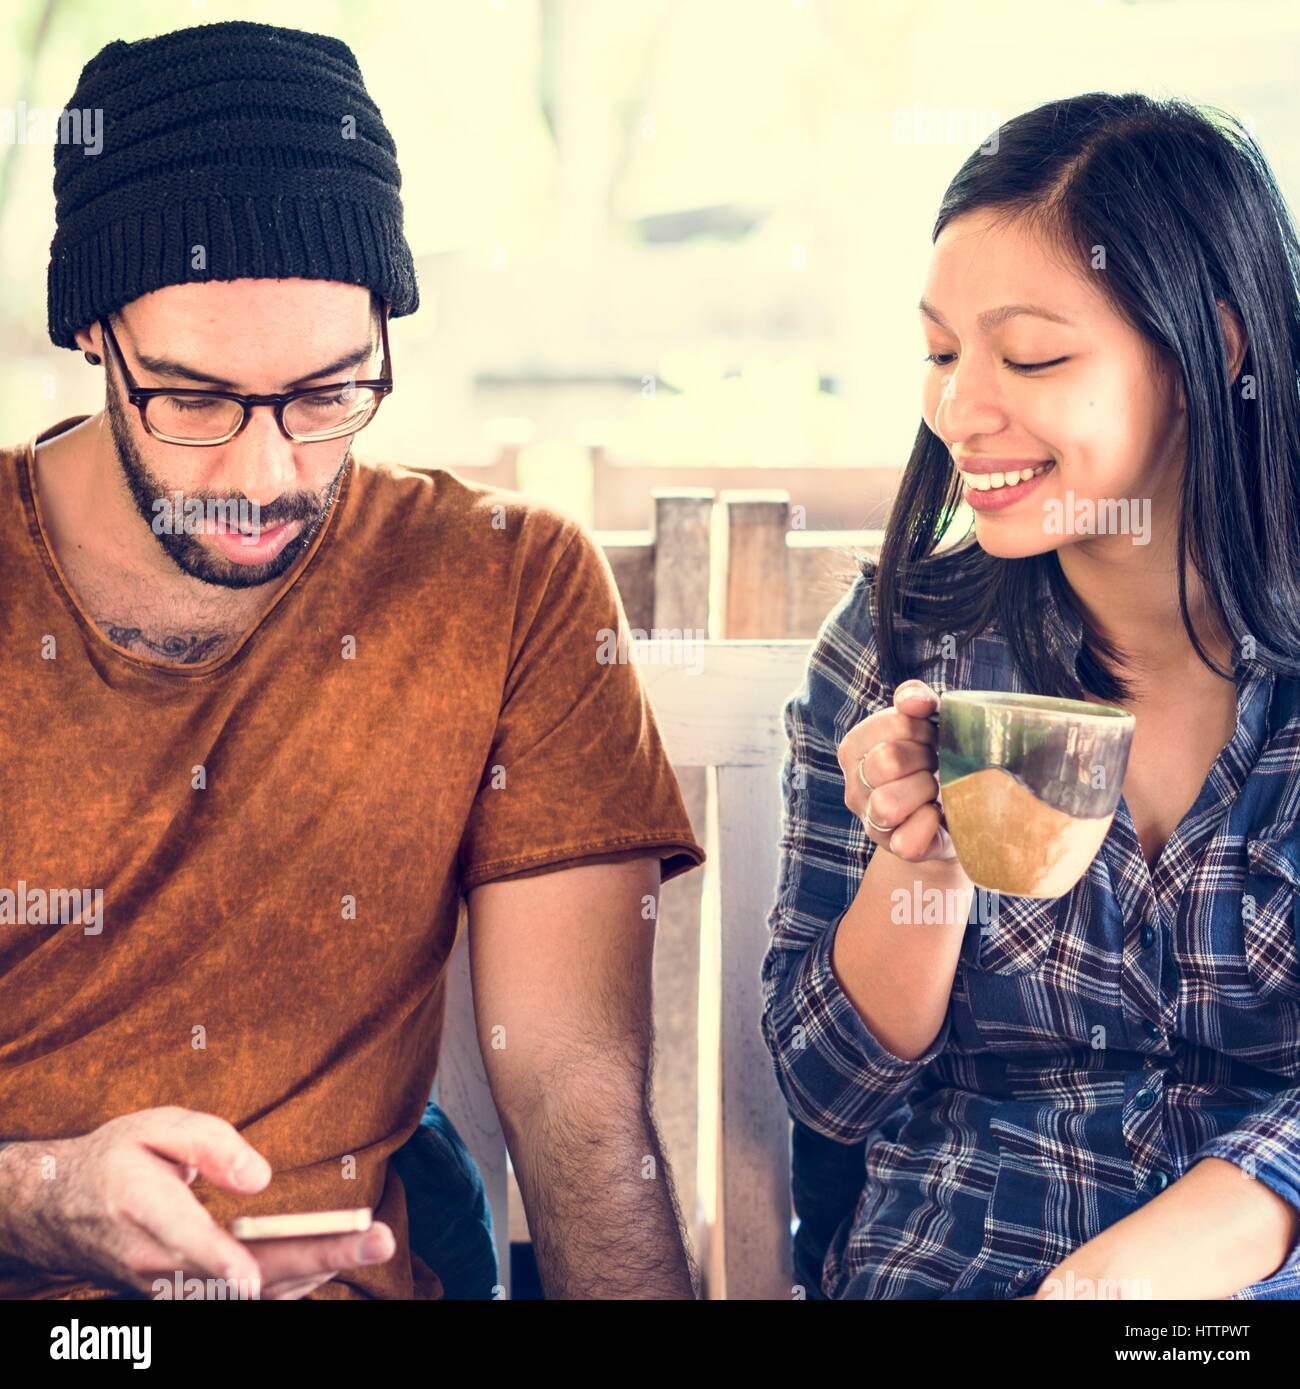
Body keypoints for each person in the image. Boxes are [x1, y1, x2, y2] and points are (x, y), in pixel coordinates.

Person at [0, 20, 704, 1301]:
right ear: (94, 334)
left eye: (328, 396)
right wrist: (42, 1196)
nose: (265, 479)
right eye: (197, 401)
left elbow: (572, 1095)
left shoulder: (502, 584)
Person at [761, 91, 1300, 1300]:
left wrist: (1195, 1236)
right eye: (943, 352)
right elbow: (829, 1092)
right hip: (955, 1263)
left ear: (1214, 348)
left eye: (1033, 355)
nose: (959, 408)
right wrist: (923, 862)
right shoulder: (902, 644)